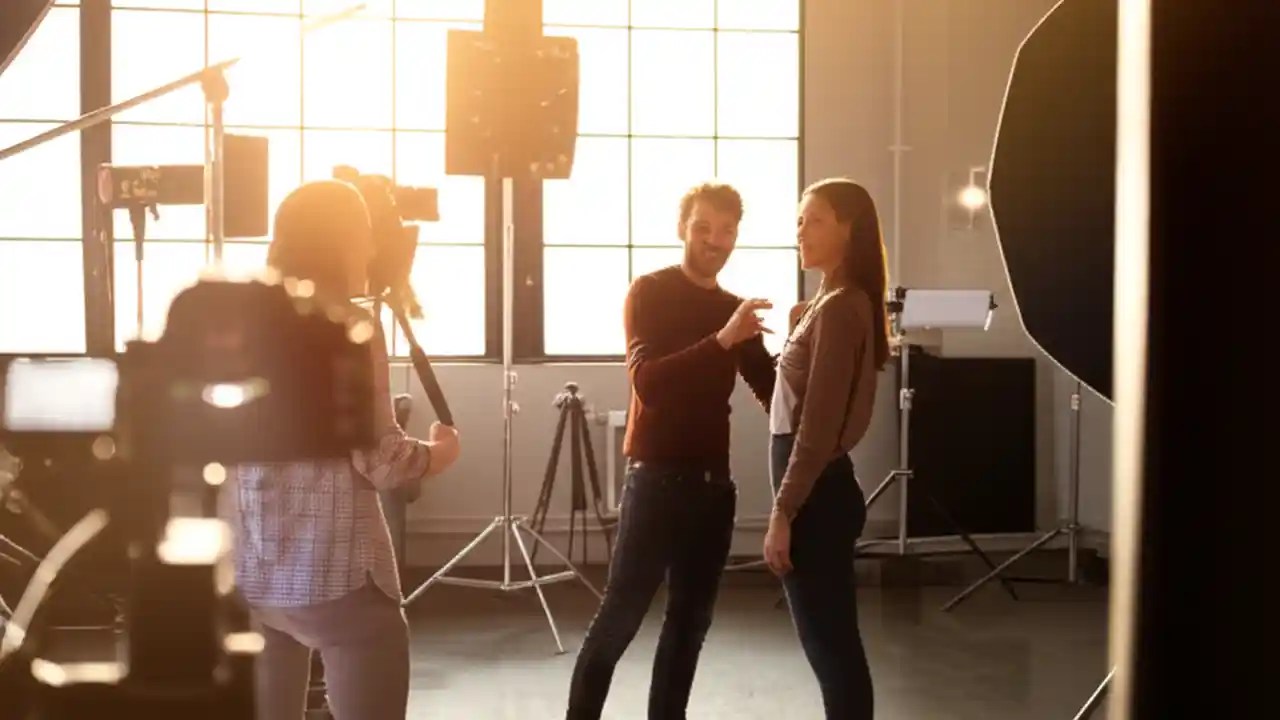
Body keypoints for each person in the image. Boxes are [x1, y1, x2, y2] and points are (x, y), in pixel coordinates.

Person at [222, 179, 462, 720]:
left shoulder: (240, 319)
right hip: (336, 574)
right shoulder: (349, 324)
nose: (373, 250)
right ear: (340, 242)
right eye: (366, 236)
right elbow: (382, 459)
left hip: (257, 573)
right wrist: (441, 453)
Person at [565, 182, 776, 719]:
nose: (715, 240)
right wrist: (723, 340)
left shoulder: (734, 311)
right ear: (683, 227)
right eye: (704, 227)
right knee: (619, 619)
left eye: (727, 230)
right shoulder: (650, 292)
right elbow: (649, 383)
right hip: (656, 481)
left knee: (689, 626)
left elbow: (775, 392)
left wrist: (805, 340)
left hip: (714, 489)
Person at [762, 178, 888, 719]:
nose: (800, 232)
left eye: (814, 219)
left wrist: (783, 512)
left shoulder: (841, 308)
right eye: (798, 220)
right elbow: (784, 406)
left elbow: (815, 428)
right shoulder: (822, 305)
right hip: (816, 491)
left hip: (818, 496)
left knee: (831, 647)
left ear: (848, 227)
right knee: (829, 645)